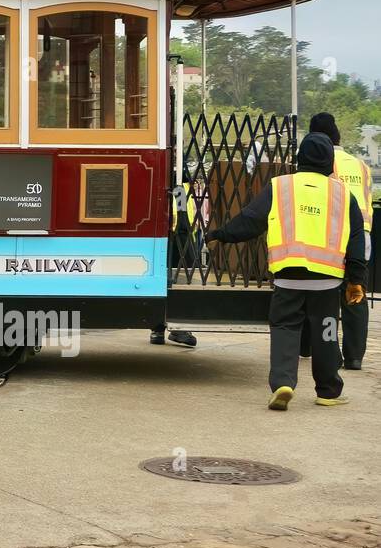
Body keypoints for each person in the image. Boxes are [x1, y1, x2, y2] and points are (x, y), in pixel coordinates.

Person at [206, 132, 366, 409]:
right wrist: (356, 281)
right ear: (330, 161)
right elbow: (356, 242)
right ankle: (328, 392)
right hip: (327, 282)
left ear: (299, 158)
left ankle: (282, 382)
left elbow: (250, 220)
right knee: (327, 333)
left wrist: (221, 234)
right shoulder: (343, 194)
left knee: (284, 328)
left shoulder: (280, 187)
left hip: (288, 277)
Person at [302, 113, 373, 369]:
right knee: (355, 293)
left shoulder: (323, 160)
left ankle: (313, 348)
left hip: (333, 234)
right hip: (362, 236)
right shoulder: (361, 166)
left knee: (321, 294)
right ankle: (354, 356)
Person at [151, 182, 199, 347]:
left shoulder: (182, 186)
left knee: (167, 282)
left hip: (177, 237)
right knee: (175, 283)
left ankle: (158, 329)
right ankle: (175, 329)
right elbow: (183, 218)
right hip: (176, 238)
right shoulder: (178, 186)